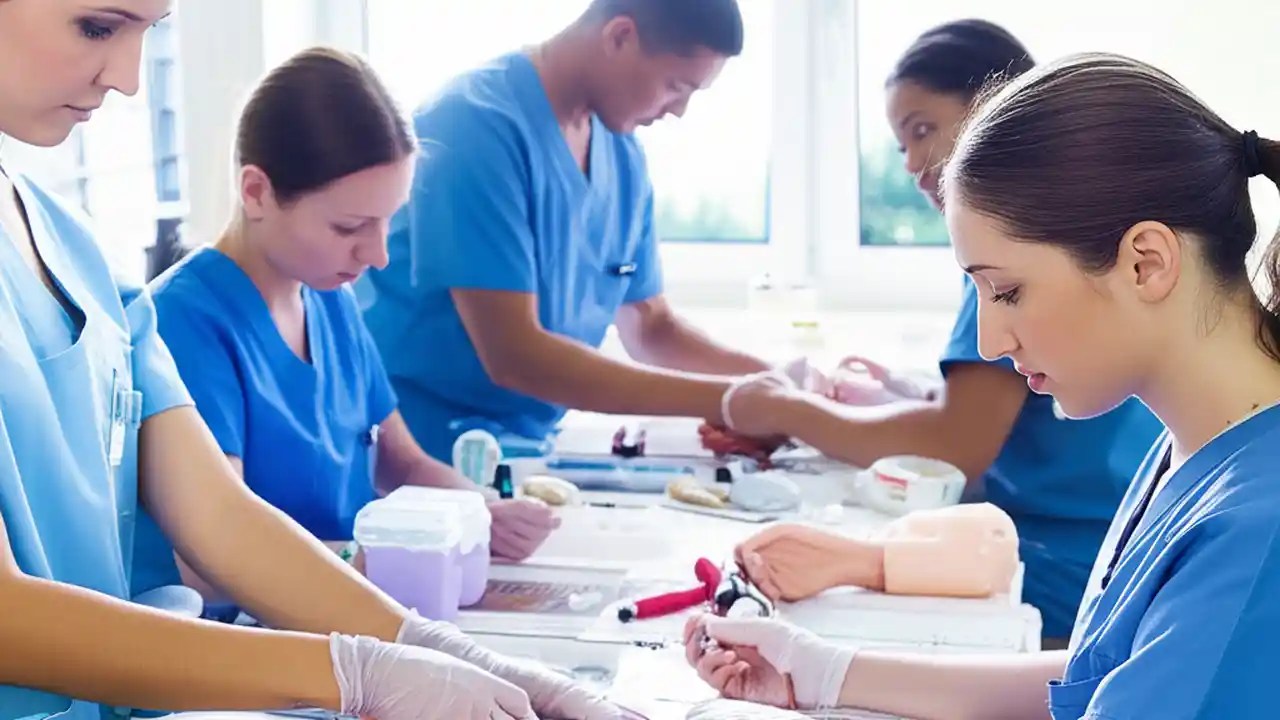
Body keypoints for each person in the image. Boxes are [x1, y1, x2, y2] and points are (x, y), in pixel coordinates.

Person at [0, 2, 635, 719]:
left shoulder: (77, 252)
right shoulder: (191, 310)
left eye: (151, 33)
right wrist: (356, 674)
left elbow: (222, 518)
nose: (129, 80)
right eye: (97, 27)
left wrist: (448, 654)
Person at [687, 51, 1280, 719]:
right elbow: (1107, 674)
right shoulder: (1197, 444)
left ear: (1146, 264)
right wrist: (822, 672)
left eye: (1007, 291)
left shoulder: (1258, 530)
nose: (991, 342)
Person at [714, 20, 1164, 642]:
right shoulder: (1034, 236)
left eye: (922, 130)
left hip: (1068, 565)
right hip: (1076, 538)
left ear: (992, 109)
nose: (911, 165)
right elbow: (991, 415)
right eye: (901, 144)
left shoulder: (1020, 247)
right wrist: (910, 398)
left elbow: (957, 445)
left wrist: (789, 411)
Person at [150, 47, 558, 568]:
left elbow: (402, 464)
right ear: (256, 192)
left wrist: (481, 513)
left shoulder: (330, 301)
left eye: (388, 222)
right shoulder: (183, 324)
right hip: (256, 613)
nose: (378, 255)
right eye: (349, 228)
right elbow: (216, 554)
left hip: (344, 596)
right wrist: (382, 563)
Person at [358, 0, 784, 462]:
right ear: (620, 37)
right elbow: (516, 356)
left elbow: (651, 327)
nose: (679, 110)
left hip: (524, 451)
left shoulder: (622, 154)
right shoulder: (472, 126)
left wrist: (780, 386)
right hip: (418, 453)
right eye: (675, 86)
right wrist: (731, 401)